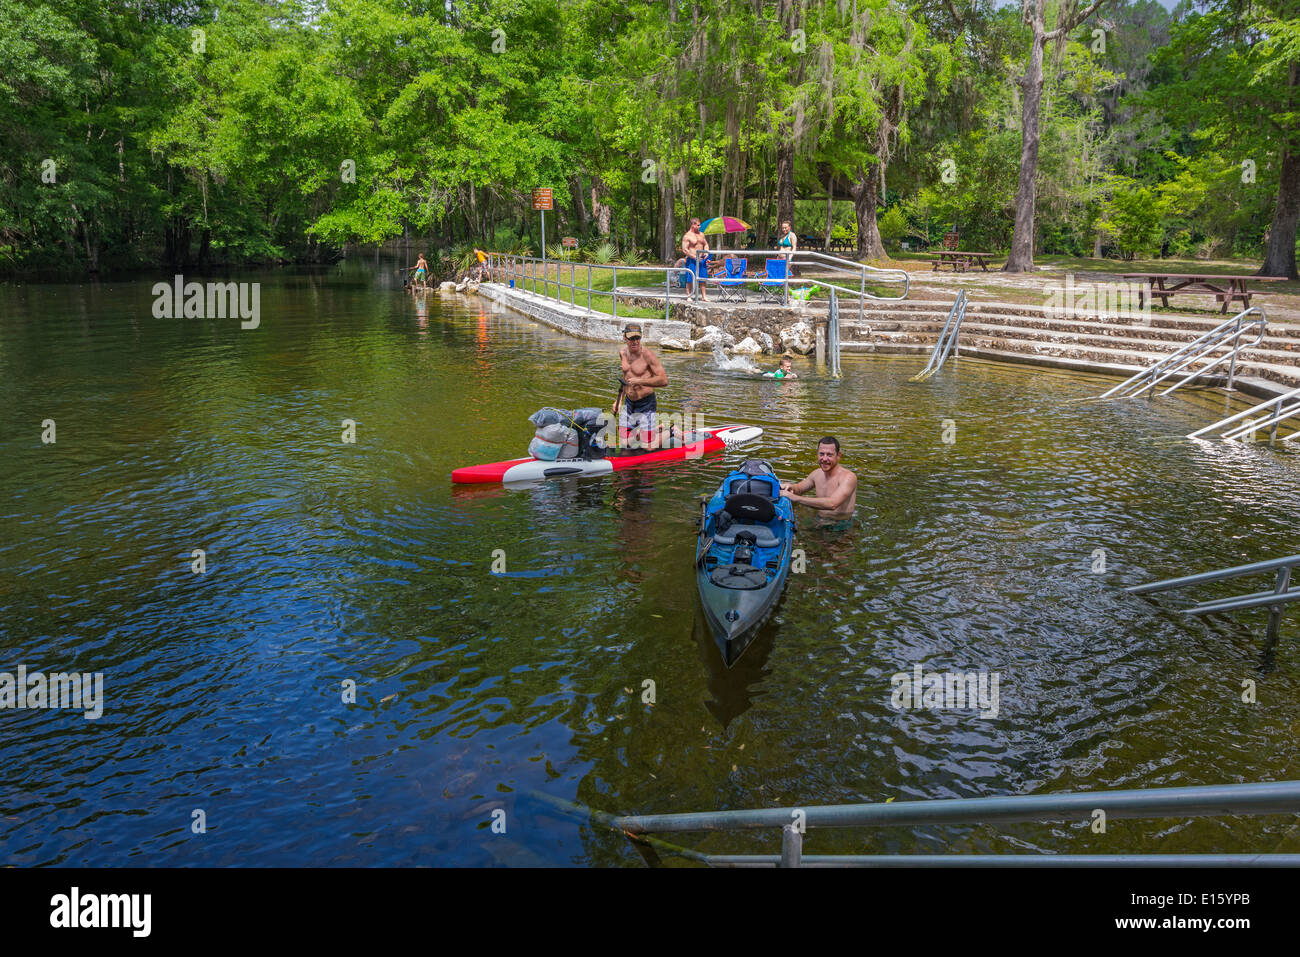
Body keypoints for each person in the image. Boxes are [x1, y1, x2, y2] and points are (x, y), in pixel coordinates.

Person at [614, 322, 670, 450]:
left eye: (637, 338)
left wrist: (640, 381)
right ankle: (657, 429)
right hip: (629, 403)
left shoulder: (648, 355)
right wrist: (618, 401)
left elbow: (664, 380)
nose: (635, 341)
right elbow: (625, 378)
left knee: (647, 447)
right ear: (624, 337)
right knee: (624, 444)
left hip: (646, 404)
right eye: (631, 338)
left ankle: (670, 431)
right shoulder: (622, 353)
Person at [781, 435, 856, 520]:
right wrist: (790, 487)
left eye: (829, 455)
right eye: (821, 454)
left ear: (838, 455)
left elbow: (833, 504)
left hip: (842, 525)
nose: (824, 458)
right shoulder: (816, 474)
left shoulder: (848, 477)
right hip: (819, 520)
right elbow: (799, 488)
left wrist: (794, 497)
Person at [681, 218, 711, 301]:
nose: (700, 226)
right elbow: (684, 250)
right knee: (690, 278)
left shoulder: (702, 234)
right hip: (692, 259)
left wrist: (706, 252)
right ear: (693, 225)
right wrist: (694, 257)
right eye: (698, 225)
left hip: (702, 259)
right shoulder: (687, 236)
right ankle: (689, 296)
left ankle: (704, 297)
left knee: (703, 278)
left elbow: (706, 244)